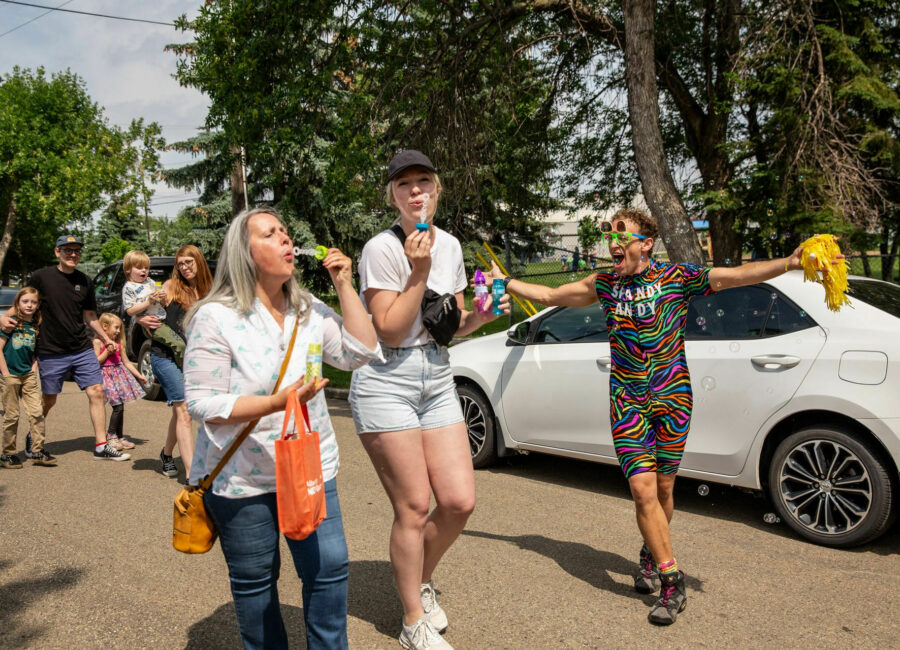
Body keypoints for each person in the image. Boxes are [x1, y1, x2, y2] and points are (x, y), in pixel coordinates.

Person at [488, 207, 813, 625]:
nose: (613, 242)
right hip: (627, 403)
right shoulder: (604, 284)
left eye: (622, 235)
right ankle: (671, 579)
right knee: (642, 490)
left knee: (663, 489)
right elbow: (551, 296)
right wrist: (505, 281)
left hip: (673, 399)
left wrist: (790, 263)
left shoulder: (677, 278)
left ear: (646, 244)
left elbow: (738, 275)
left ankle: (650, 551)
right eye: (609, 235)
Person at [184, 207, 380, 650]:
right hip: (242, 476)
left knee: (329, 569)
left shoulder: (309, 310)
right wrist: (277, 402)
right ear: (245, 252)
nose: (286, 239)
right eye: (271, 234)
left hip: (308, 466)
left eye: (286, 232)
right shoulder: (215, 317)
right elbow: (201, 402)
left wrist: (344, 284)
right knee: (256, 583)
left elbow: (359, 353)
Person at [349, 150, 508, 650]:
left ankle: (419, 578)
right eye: (404, 184)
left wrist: (481, 317)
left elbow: (446, 326)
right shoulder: (381, 248)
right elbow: (391, 331)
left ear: (436, 189)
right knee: (415, 505)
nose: (415, 190)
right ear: (393, 196)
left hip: (437, 375)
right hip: (386, 379)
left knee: (459, 501)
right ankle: (412, 621)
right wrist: (418, 270)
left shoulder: (452, 245)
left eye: (423, 181)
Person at [0, 234, 128, 461]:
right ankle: (33, 435)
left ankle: (101, 446)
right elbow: (24, 301)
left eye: (76, 250)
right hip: (51, 350)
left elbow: (89, 316)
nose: (73, 254)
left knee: (96, 391)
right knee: (49, 399)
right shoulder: (41, 277)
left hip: (81, 348)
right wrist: (3, 318)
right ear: (57, 252)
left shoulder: (85, 281)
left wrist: (105, 338)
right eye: (67, 250)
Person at [137, 244, 212, 480]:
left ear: (199, 261)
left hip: (195, 360)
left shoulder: (211, 290)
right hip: (165, 356)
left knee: (180, 412)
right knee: (184, 411)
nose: (184, 267)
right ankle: (192, 475)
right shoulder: (170, 287)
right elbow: (141, 306)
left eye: (189, 262)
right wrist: (140, 319)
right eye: (180, 264)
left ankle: (167, 453)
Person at [0, 287, 52, 467]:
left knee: (37, 412)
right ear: (18, 303)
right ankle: (8, 453)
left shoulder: (36, 325)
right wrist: (6, 374)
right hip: (10, 376)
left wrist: (33, 367)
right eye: (25, 301)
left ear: (38, 305)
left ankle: (37, 450)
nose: (29, 305)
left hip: (28, 375)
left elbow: (35, 350)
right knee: (12, 416)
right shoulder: (12, 323)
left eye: (33, 302)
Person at [121, 249, 185, 364]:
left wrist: (162, 297)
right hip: (153, 324)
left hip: (164, 318)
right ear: (128, 269)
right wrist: (148, 302)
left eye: (146, 268)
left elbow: (161, 302)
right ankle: (184, 369)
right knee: (179, 345)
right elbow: (130, 311)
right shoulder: (129, 288)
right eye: (139, 267)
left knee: (180, 342)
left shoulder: (149, 281)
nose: (144, 270)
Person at [94, 313, 147, 451]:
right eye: (116, 327)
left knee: (120, 406)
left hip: (119, 379)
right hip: (106, 378)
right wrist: (107, 352)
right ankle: (111, 435)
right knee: (117, 407)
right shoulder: (98, 342)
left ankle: (119, 436)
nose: (118, 331)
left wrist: (139, 375)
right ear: (104, 327)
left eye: (119, 328)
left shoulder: (118, 344)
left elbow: (127, 362)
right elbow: (96, 361)